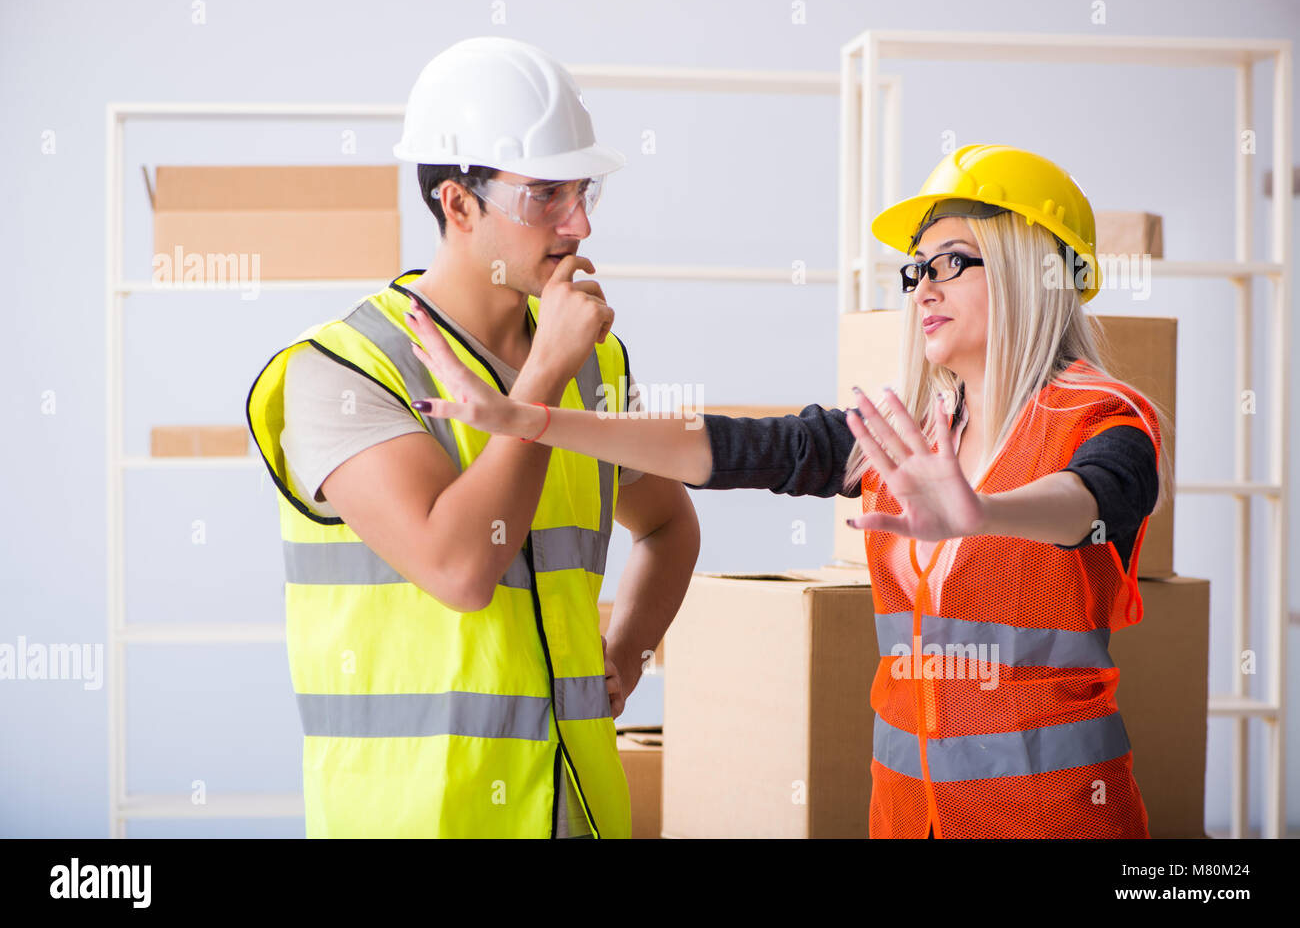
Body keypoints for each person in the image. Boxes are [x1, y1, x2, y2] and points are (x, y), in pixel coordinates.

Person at [402, 144, 1173, 839]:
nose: (921, 288)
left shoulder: (1103, 416)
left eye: (950, 262)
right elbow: (729, 447)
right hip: (911, 817)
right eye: (916, 269)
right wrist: (531, 418)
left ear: (1025, 266)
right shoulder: (907, 434)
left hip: (1057, 820)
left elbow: (1094, 499)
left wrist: (987, 512)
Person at [246, 37, 700, 838]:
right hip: (418, 820)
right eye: (546, 195)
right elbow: (459, 567)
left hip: (578, 811)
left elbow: (668, 524)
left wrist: (623, 655)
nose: (581, 222)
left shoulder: (595, 364)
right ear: (458, 204)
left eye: (584, 190)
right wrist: (545, 372)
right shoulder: (343, 373)